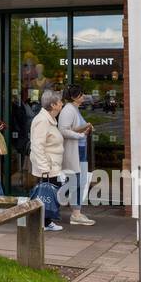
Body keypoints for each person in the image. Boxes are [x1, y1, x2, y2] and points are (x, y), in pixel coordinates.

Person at [58, 85, 96, 226]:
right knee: (77, 181)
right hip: (75, 151)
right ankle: (73, 211)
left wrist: (85, 127)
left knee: (81, 181)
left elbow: (70, 129)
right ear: (74, 97)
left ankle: (76, 212)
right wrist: (80, 133)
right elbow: (63, 130)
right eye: (81, 94)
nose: (83, 96)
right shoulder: (68, 110)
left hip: (80, 149)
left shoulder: (74, 109)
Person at [29, 89, 66, 231]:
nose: (62, 104)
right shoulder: (42, 120)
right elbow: (38, 146)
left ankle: (46, 221)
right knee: (46, 194)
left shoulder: (49, 120)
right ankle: (42, 222)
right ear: (53, 105)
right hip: (47, 166)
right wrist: (44, 168)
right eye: (60, 102)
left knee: (49, 194)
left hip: (53, 165)